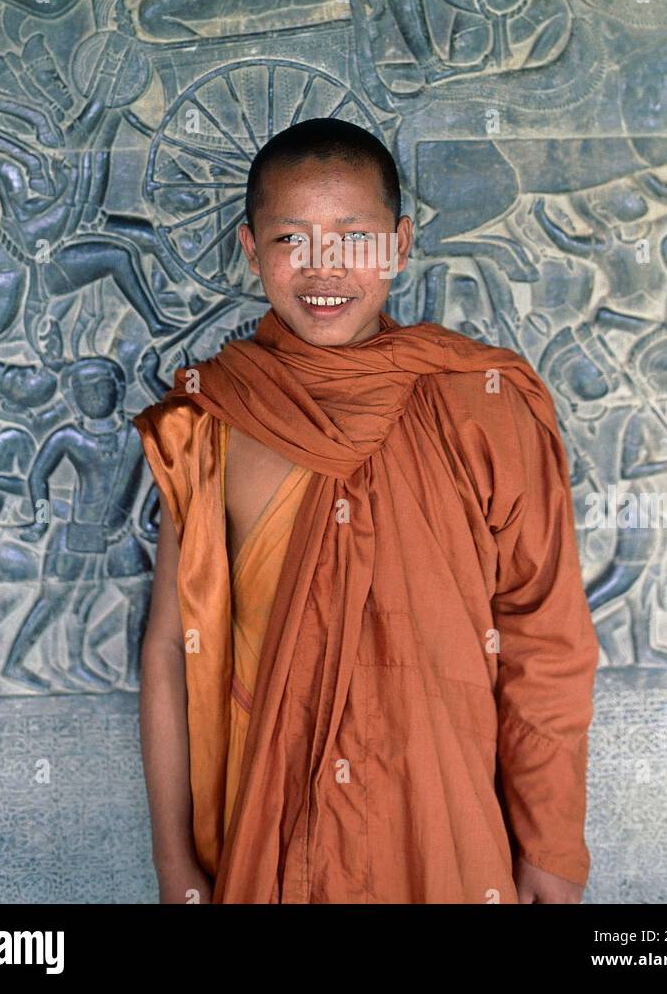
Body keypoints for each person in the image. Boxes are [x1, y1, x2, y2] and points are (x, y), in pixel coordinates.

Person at [133, 117, 599, 905]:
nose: (324, 269)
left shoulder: (480, 406)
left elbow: (542, 635)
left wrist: (550, 847)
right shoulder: (210, 421)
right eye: (291, 239)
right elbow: (172, 654)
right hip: (270, 829)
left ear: (400, 244)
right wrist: (175, 862)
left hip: (441, 825)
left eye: (353, 238)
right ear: (250, 249)